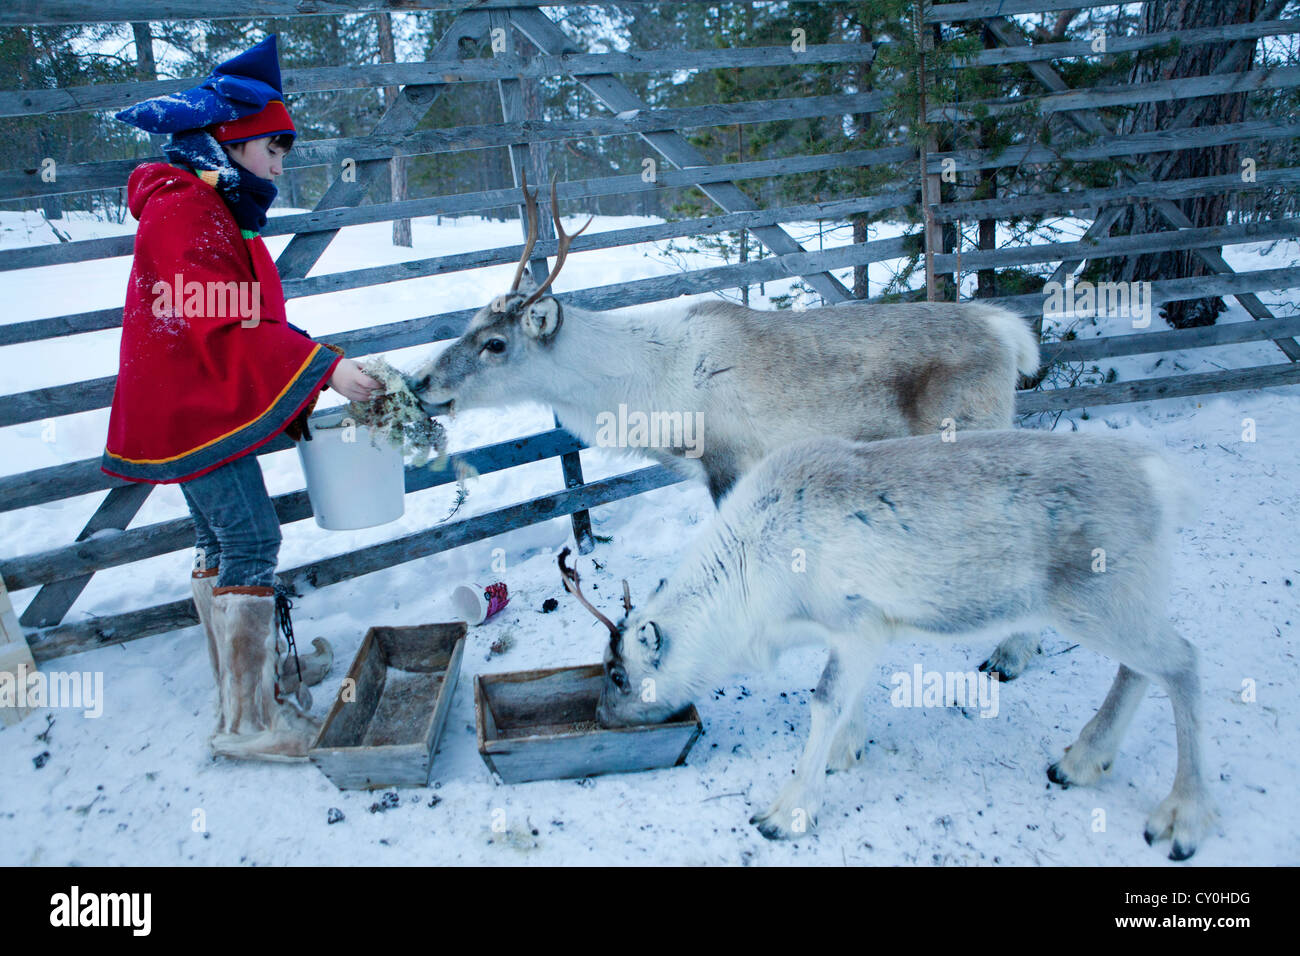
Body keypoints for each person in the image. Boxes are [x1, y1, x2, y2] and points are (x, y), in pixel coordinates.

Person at [103, 35, 381, 761]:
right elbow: (219, 318)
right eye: (272, 152)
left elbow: (239, 309)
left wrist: (315, 360)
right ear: (228, 143)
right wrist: (323, 367)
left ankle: (247, 689)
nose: (279, 169)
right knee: (253, 540)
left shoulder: (204, 201)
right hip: (188, 408)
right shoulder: (185, 212)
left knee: (219, 540)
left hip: (185, 405)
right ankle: (247, 726)